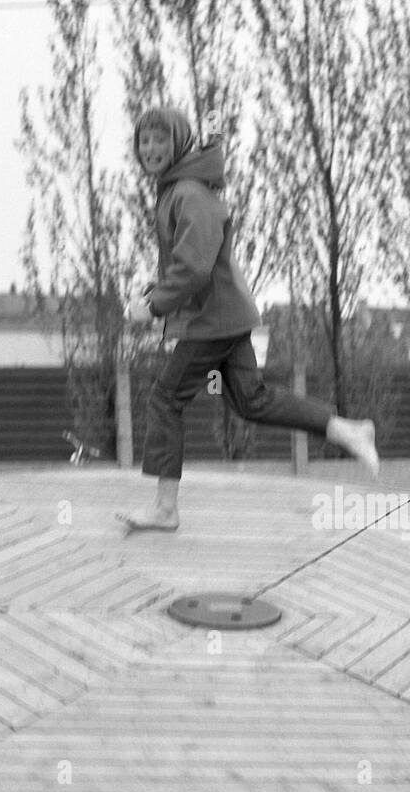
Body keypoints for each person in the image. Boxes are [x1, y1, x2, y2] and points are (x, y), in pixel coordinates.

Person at [119, 105, 378, 532]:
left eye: (160, 139)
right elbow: (190, 264)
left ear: (178, 143)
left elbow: (194, 269)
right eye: (144, 141)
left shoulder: (187, 194)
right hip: (224, 316)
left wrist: (153, 306)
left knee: (166, 399)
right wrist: (156, 290)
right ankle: (348, 431)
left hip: (213, 321)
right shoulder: (180, 190)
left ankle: (166, 508)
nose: (150, 148)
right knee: (251, 400)